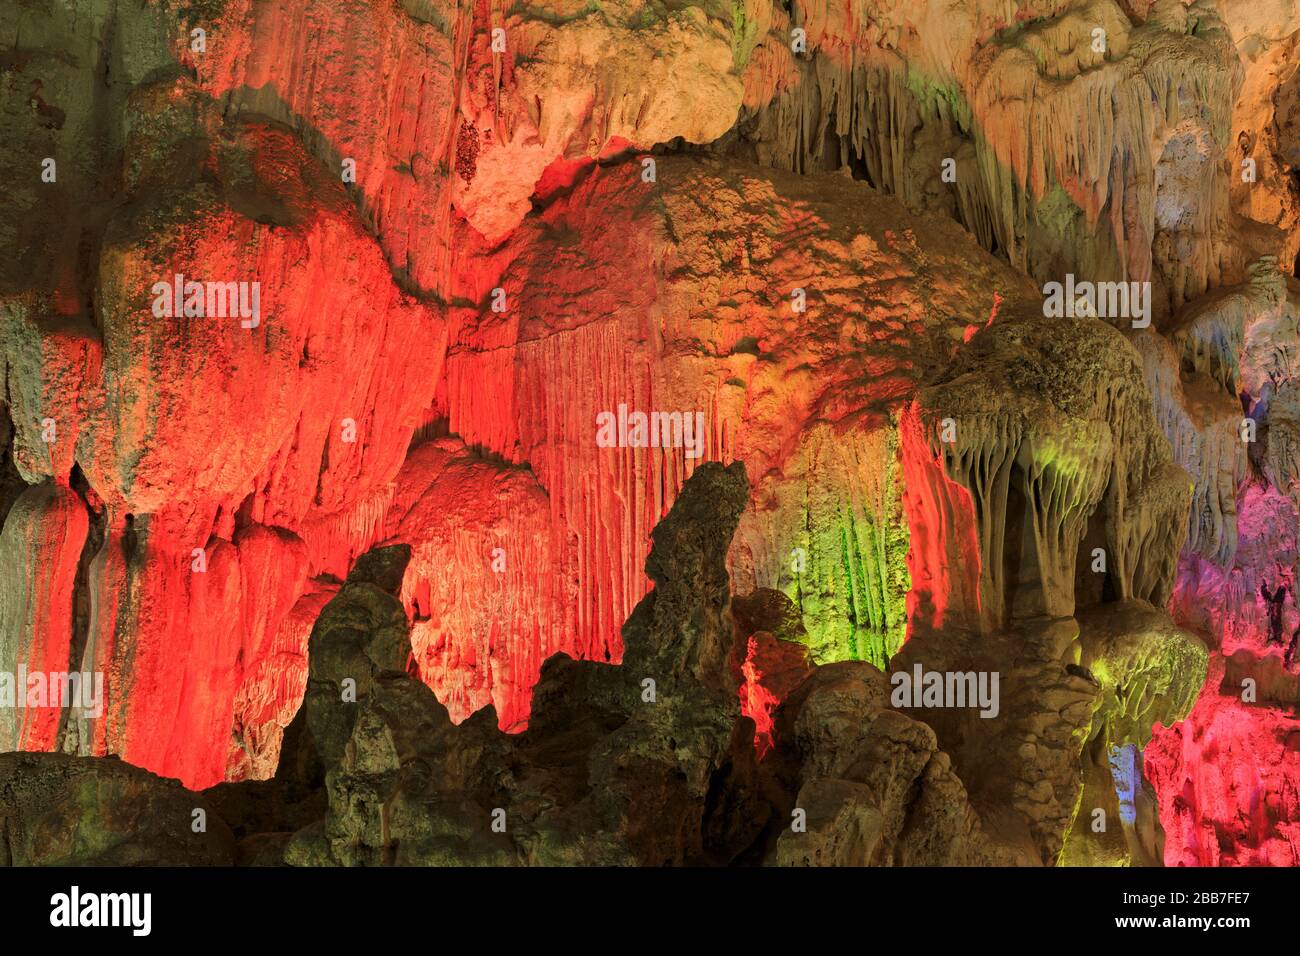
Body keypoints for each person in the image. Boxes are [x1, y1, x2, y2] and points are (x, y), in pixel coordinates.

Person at [1262, 581, 1289, 645]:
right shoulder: (1277, 629)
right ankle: (1282, 587)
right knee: (1276, 598)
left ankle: (1266, 588)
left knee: (1273, 598)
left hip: (1275, 606)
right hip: (1276, 606)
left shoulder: (1276, 628)